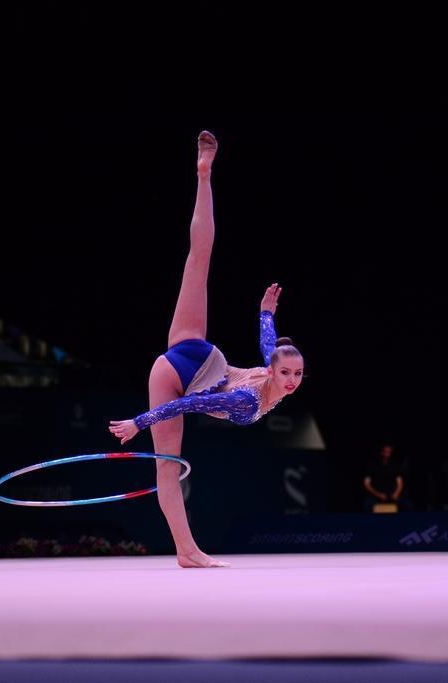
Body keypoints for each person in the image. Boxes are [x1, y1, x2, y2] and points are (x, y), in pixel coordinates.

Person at [108, 131, 305, 568]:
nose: (290, 380)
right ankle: (203, 174)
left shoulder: (268, 380)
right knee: (200, 256)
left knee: (167, 465)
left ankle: (186, 550)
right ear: (273, 371)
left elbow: (269, 346)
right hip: (184, 367)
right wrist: (139, 422)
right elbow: (195, 403)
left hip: (193, 357)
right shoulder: (246, 397)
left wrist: (266, 316)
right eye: (286, 372)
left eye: (296, 376)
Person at [362, 444, 405, 512]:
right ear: (382, 452)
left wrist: (396, 493)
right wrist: (378, 495)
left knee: (407, 505)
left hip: (391, 494)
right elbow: (366, 484)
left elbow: (400, 483)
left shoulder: (395, 465)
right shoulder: (372, 464)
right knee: (366, 505)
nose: (388, 454)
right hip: (377, 494)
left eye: (389, 452)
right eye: (386, 452)